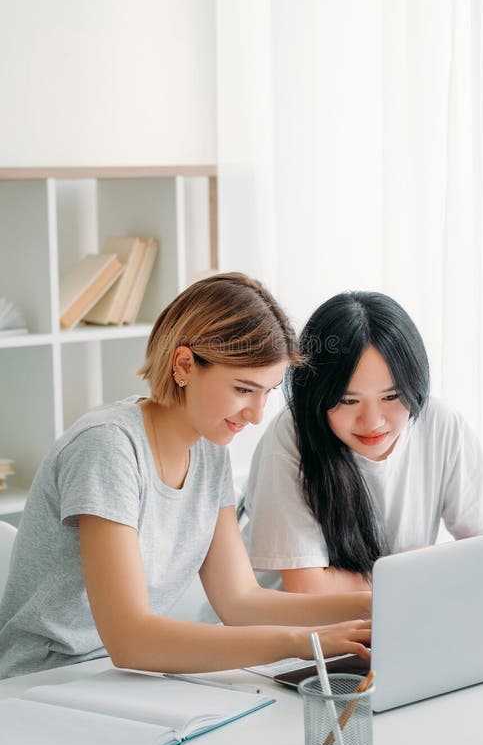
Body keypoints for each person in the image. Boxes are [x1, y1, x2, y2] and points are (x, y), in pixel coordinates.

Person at [0, 273, 371, 679]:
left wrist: (373, 605)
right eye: (243, 389)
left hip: (121, 678)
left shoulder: (210, 450)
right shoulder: (107, 447)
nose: (256, 414)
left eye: (267, 392)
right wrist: (305, 642)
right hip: (43, 681)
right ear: (184, 365)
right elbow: (131, 640)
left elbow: (240, 601)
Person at [245, 291, 483, 594]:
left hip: (394, 621)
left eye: (391, 396)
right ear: (316, 397)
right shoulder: (291, 437)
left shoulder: (439, 425)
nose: (372, 422)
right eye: (348, 400)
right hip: (294, 631)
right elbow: (308, 589)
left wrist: (417, 571)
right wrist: (418, 566)